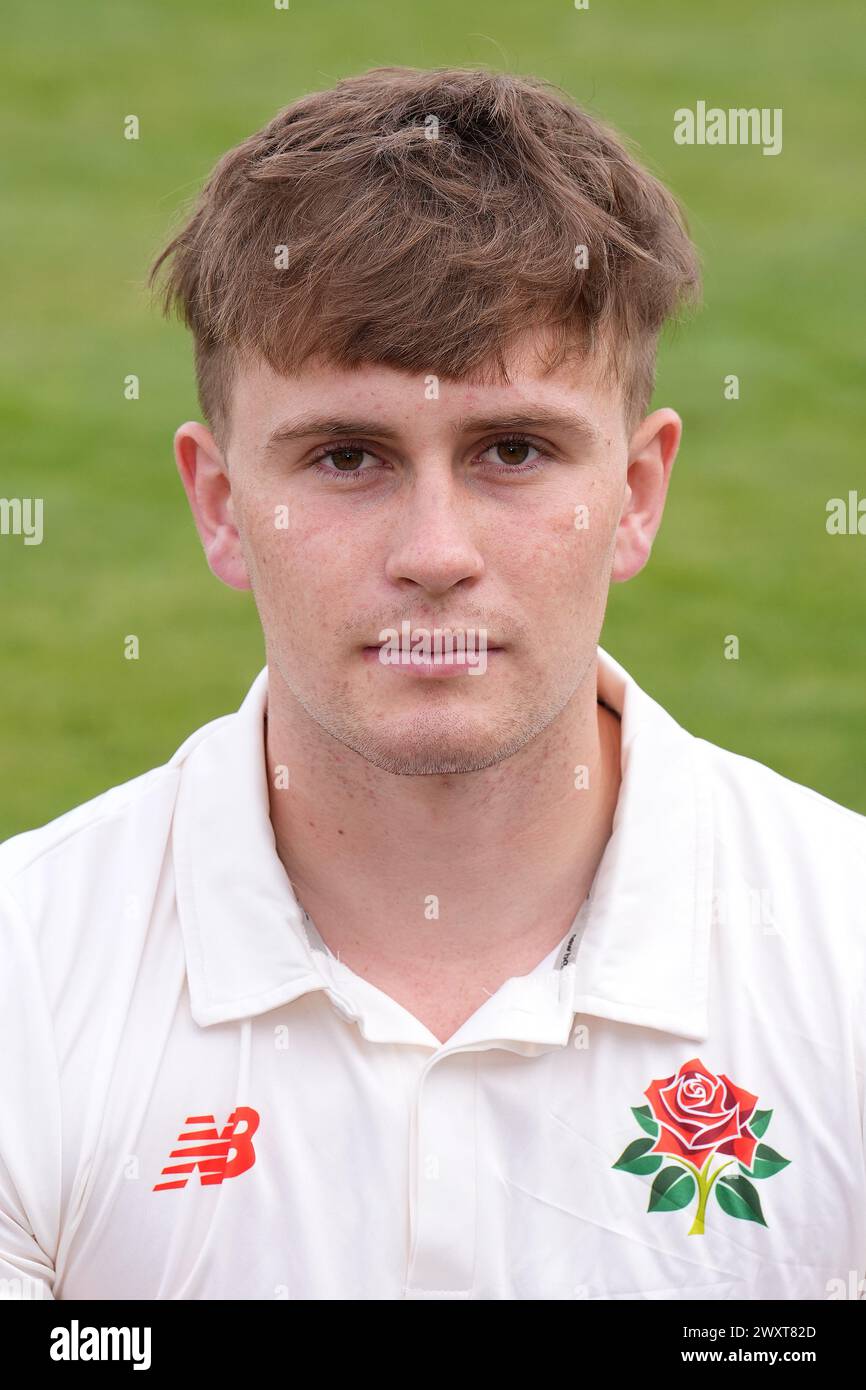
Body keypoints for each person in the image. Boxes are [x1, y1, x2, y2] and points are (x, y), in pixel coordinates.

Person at [1, 67, 863, 1302]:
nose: (434, 554)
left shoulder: (844, 960)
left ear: (634, 493)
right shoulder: (24, 981)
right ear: (220, 504)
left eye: (512, 450)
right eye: (345, 457)